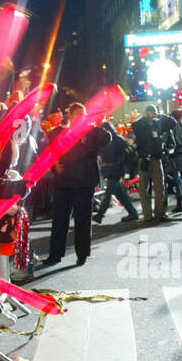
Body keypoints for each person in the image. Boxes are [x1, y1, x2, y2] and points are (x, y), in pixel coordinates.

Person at [43, 101, 109, 266]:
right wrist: (54, 165)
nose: (82, 117)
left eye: (84, 114)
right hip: (63, 182)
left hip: (84, 182)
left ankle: (82, 254)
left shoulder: (92, 133)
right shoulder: (59, 132)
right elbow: (49, 152)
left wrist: (98, 123)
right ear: (70, 115)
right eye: (78, 114)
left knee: (82, 220)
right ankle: (55, 254)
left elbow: (107, 139)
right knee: (59, 219)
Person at [94, 121, 139, 223]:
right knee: (120, 193)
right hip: (113, 169)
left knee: (108, 194)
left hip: (116, 169)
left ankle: (100, 215)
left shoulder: (117, 140)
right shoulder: (117, 140)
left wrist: (123, 164)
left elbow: (129, 154)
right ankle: (133, 213)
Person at [131, 103, 168, 222]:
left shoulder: (159, 124)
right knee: (143, 188)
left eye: (153, 112)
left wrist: (160, 116)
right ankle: (147, 215)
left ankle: (159, 213)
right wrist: (146, 119)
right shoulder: (141, 125)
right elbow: (135, 126)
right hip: (144, 158)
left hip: (156, 158)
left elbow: (172, 122)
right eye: (150, 112)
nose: (152, 114)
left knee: (160, 187)